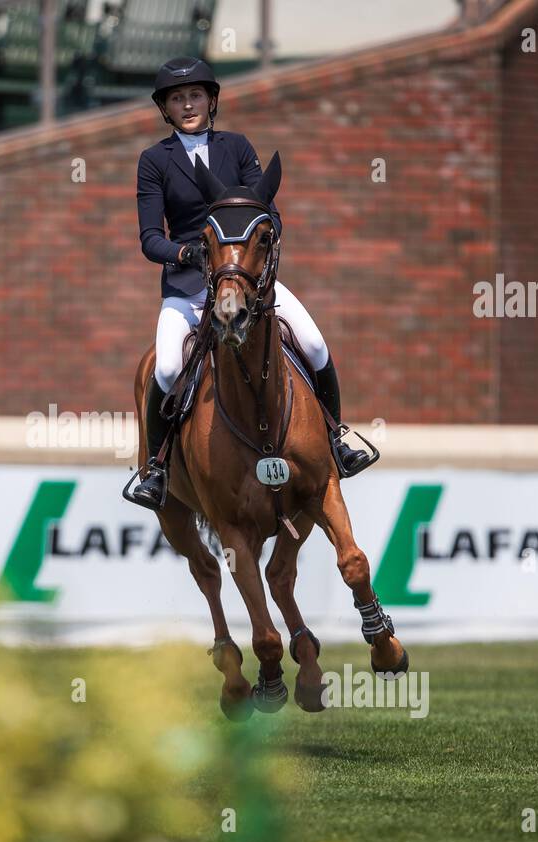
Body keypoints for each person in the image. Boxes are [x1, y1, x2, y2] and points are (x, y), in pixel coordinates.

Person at [126, 57, 372, 511]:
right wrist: (188, 254)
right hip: (189, 287)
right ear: (166, 108)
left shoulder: (237, 148)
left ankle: (337, 437)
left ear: (211, 99)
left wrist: (255, 252)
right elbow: (149, 238)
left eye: (195, 96)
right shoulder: (154, 161)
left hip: (247, 281)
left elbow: (268, 212)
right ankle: (157, 469)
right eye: (177, 99)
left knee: (314, 344)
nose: (187, 105)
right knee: (164, 370)